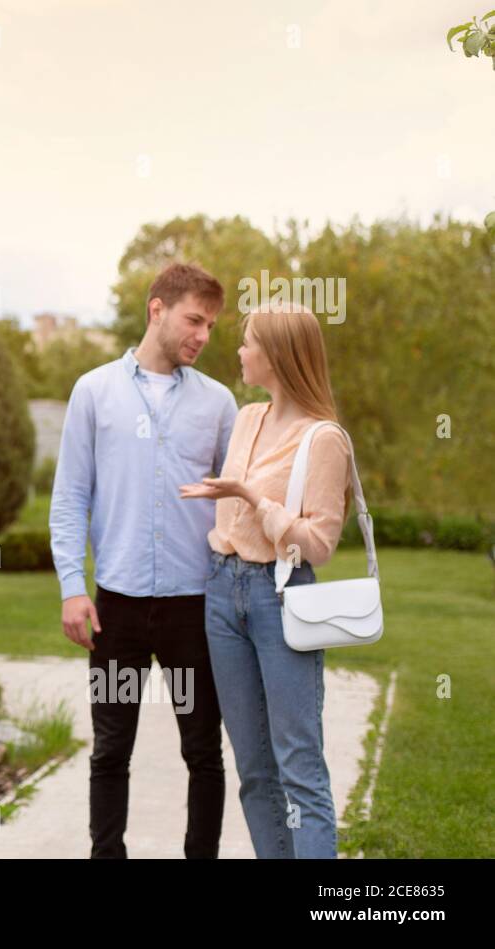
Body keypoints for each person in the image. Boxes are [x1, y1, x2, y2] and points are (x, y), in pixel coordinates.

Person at [51, 261, 238, 858]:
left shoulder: (219, 403)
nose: (203, 335)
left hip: (195, 609)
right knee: (110, 752)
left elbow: (237, 507)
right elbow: (70, 496)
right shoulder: (94, 391)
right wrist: (72, 587)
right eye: (194, 319)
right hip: (118, 610)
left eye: (210, 325)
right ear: (157, 309)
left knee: (203, 754)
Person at [180, 303, 351, 859]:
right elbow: (228, 520)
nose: (238, 350)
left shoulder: (324, 439)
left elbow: (319, 545)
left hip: (279, 597)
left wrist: (254, 498)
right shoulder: (249, 418)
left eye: (248, 342)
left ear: (276, 356)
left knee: (298, 764)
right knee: (254, 768)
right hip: (222, 594)